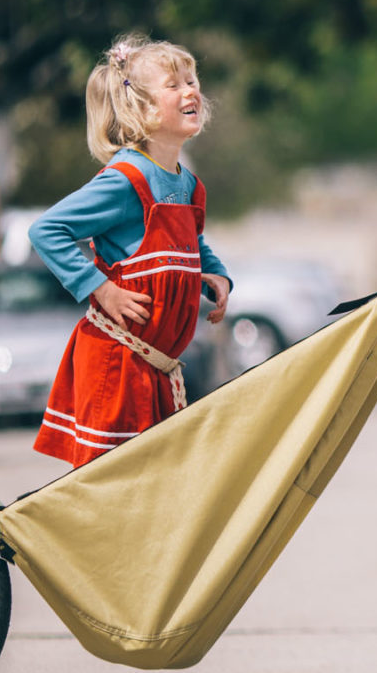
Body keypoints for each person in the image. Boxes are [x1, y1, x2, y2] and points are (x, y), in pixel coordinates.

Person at [29, 34, 232, 467]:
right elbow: (47, 230)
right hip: (116, 367)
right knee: (113, 496)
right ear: (141, 109)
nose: (191, 91)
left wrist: (213, 272)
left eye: (192, 81)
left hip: (155, 373)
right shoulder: (125, 180)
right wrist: (101, 290)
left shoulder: (188, 185)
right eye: (174, 85)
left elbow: (191, 242)